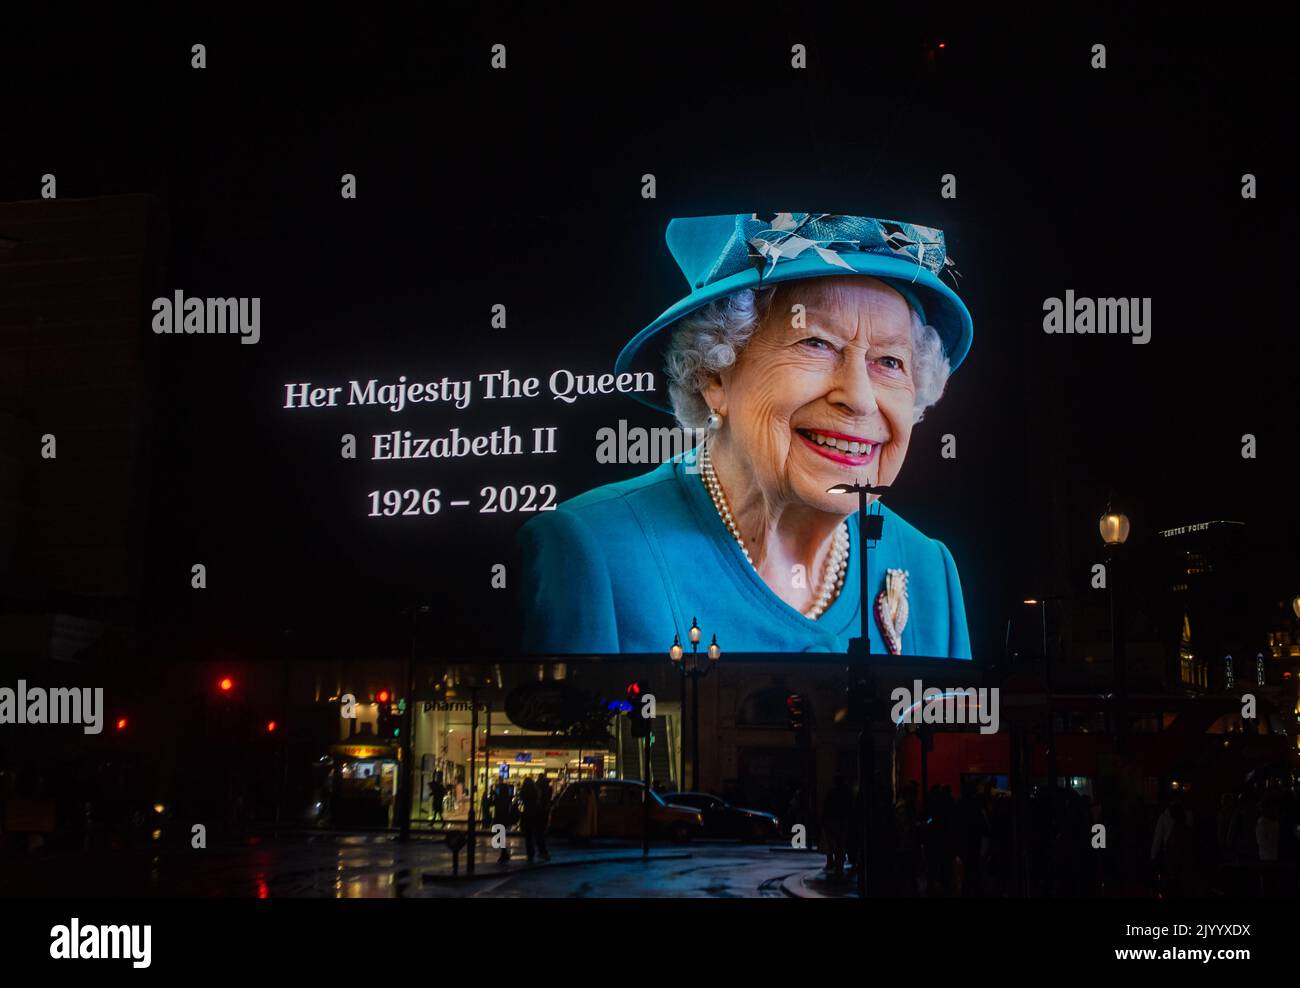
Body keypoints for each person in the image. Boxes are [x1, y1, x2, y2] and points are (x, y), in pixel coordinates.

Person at [518, 213, 974, 656]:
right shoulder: (593, 553)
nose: (859, 398)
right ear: (713, 375)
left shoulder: (929, 571)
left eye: (890, 362)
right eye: (816, 343)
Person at [821, 776, 852, 875]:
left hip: (832, 821)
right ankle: (839, 865)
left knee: (832, 844)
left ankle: (833, 863)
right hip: (842, 820)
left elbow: (826, 807)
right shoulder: (846, 793)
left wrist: (824, 820)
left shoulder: (831, 793)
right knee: (840, 844)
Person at [536, 776, 553, 861]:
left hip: (539, 813)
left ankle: (542, 852)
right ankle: (543, 852)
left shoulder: (538, 790)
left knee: (539, 834)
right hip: (544, 813)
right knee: (541, 833)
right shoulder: (548, 790)